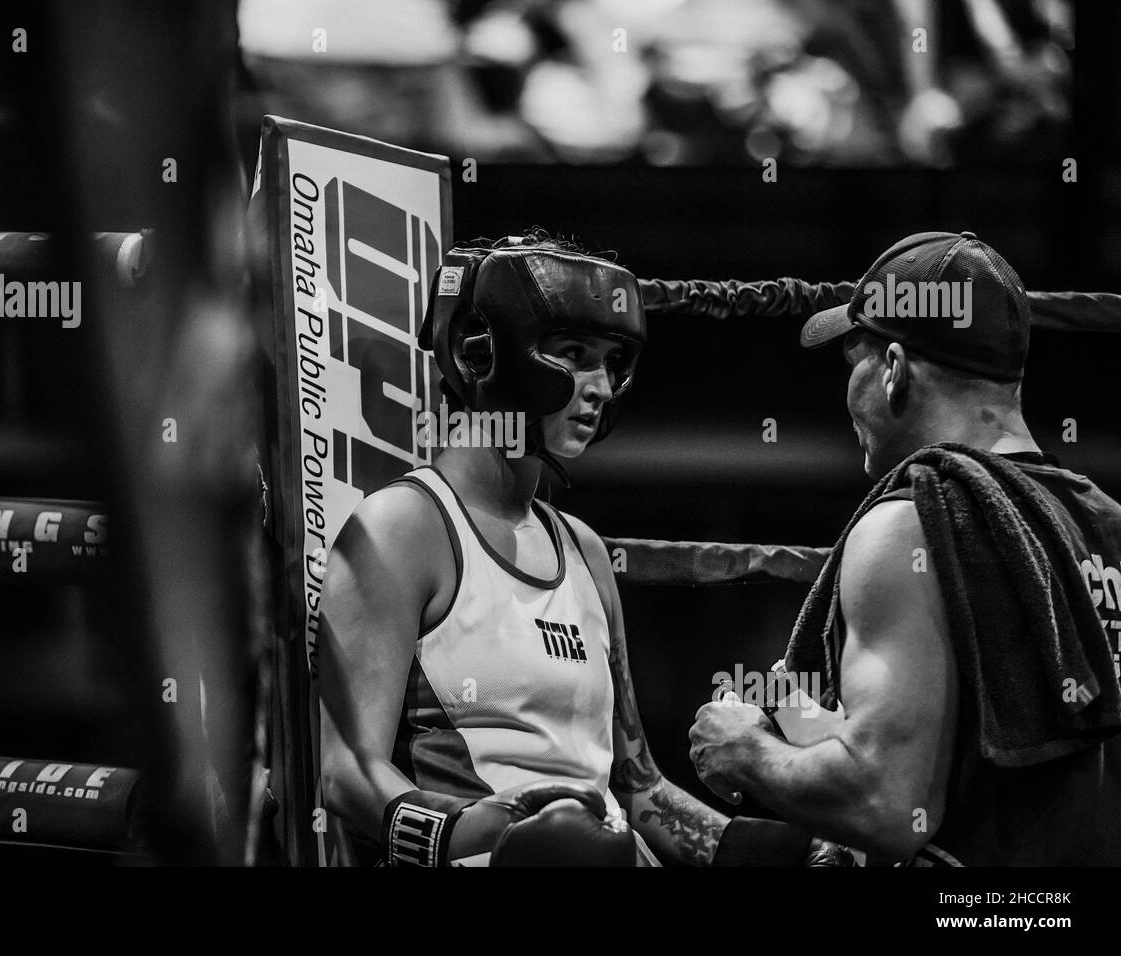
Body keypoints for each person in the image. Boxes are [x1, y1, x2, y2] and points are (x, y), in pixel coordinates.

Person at [318, 232, 845, 866]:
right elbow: (345, 769)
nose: (598, 386)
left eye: (611, 361)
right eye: (572, 354)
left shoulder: (585, 550)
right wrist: (473, 835)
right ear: (480, 353)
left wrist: (778, 852)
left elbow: (639, 788)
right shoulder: (404, 526)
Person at [690, 230, 1121, 865]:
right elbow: (1008, 764)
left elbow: (887, 806)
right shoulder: (1103, 522)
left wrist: (746, 749)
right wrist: (816, 728)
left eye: (853, 361)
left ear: (892, 369)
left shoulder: (912, 523)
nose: (848, 391)